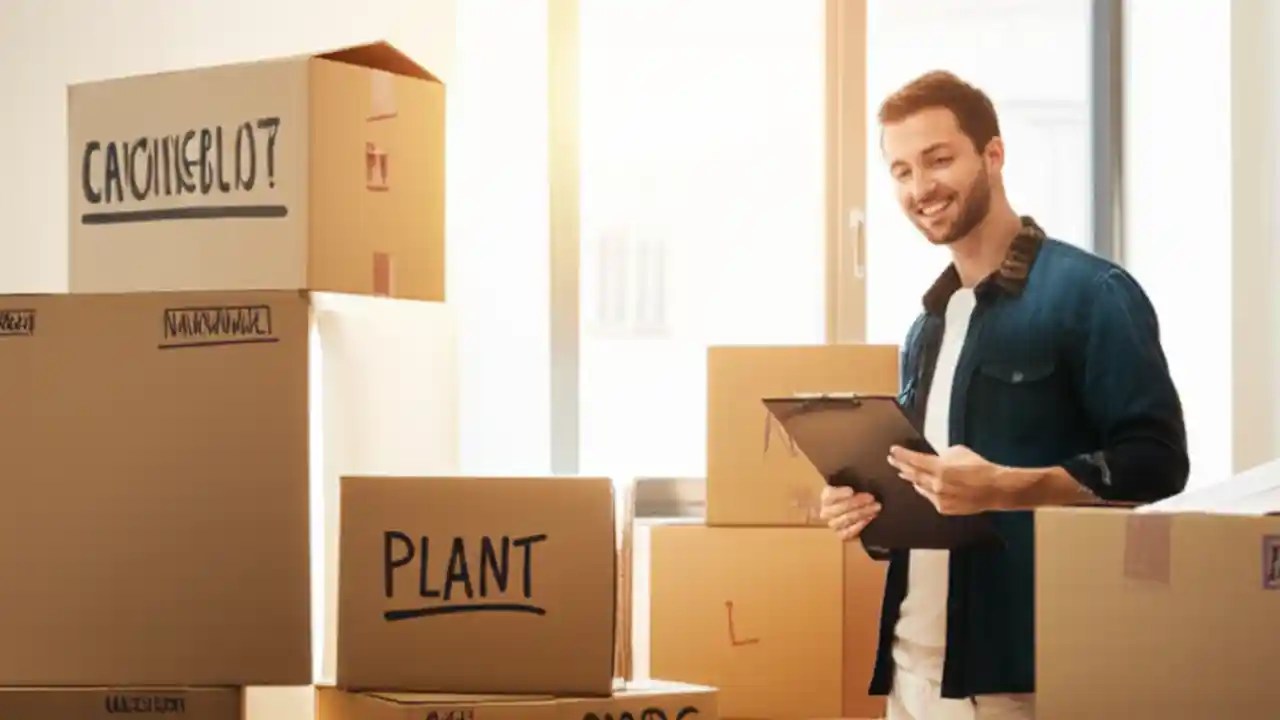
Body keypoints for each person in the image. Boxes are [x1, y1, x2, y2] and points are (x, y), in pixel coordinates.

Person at [818, 70, 1189, 719]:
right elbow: (935, 494)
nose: (920, 188)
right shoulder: (927, 327)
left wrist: (1011, 487)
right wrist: (871, 512)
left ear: (993, 154)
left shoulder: (1091, 295)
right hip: (912, 667)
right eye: (901, 171)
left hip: (1021, 677)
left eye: (938, 159)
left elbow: (1158, 462)